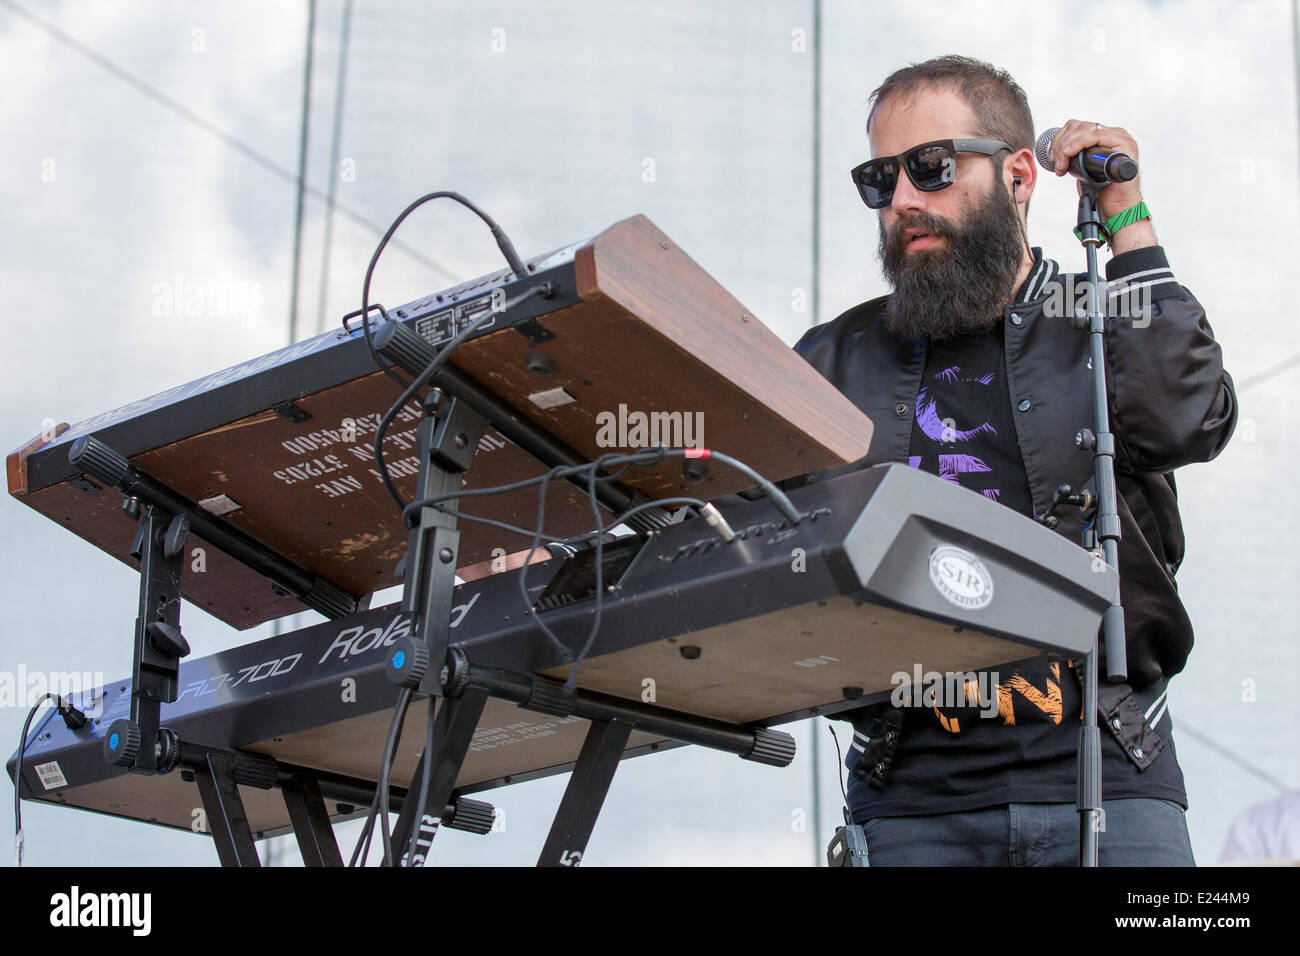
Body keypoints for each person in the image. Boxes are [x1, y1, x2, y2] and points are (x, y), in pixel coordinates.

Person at [795, 55, 1237, 866]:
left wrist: (1125, 211)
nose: (901, 201)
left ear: (1019, 177)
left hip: (1112, 786)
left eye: (931, 168)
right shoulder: (833, 359)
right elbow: (723, 515)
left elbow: (1190, 418)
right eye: (879, 179)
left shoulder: (1098, 320)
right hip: (908, 807)